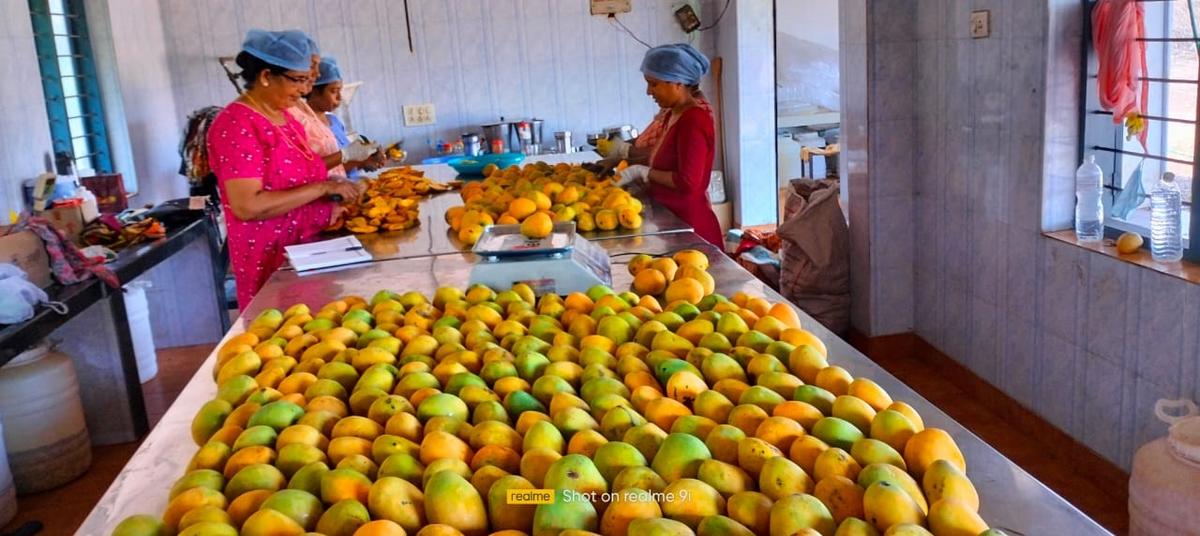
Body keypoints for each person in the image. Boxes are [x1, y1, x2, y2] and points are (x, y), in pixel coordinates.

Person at [206, 29, 362, 308]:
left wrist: (338, 193)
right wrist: (324, 187)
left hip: (310, 250)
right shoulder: (237, 124)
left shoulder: (285, 117)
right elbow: (247, 206)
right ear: (266, 76)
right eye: (299, 80)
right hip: (273, 258)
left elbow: (301, 176)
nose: (305, 89)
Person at [618, 44, 723, 247]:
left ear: (677, 83)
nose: (649, 91)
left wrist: (642, 172)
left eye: (654, 84)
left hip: (691, 228)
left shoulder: (693, 119)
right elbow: (664, 157)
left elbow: (688, 181)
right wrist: (627, 164)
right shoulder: (673, 114)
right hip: (671, 221)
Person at [304, 56, 385, 179]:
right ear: (314, 90)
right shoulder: (303, 125)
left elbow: (344, 163)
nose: (339, 97)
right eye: (334, 91)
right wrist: (360, 162)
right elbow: (312, 170)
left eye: (340, 90)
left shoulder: (334, 122)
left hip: (350, 190)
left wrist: (367, 159)